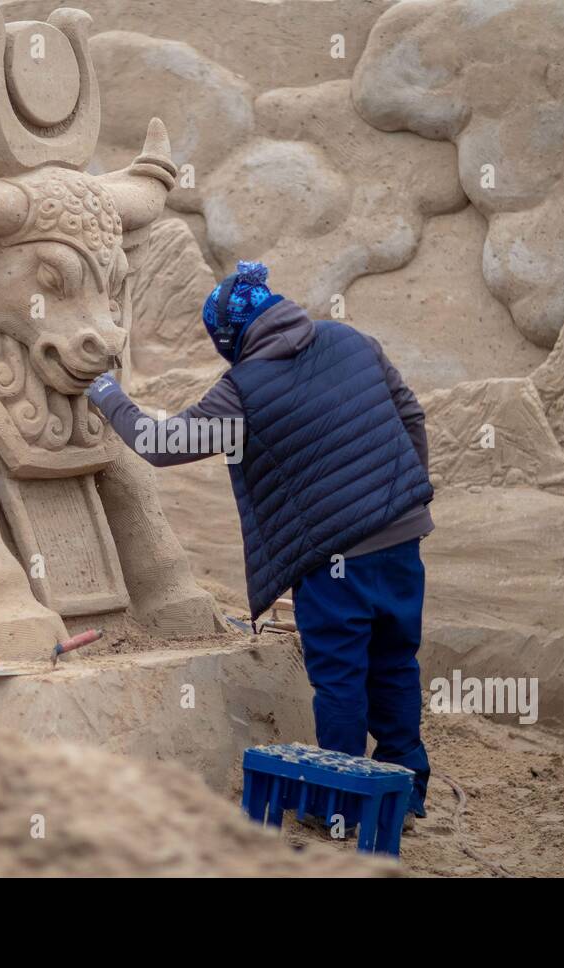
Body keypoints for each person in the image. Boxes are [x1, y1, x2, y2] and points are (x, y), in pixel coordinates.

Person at [86, 260, 435, 819]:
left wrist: (105, 393)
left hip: (331, 558)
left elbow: (159, 442)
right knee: (394, 662)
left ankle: (343, 802)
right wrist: (407, 496)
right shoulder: (353, 340)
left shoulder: (243, 391)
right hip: (402, 540)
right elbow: (411, 414)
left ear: (232, 340)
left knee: (341, 678)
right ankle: (407, 791)